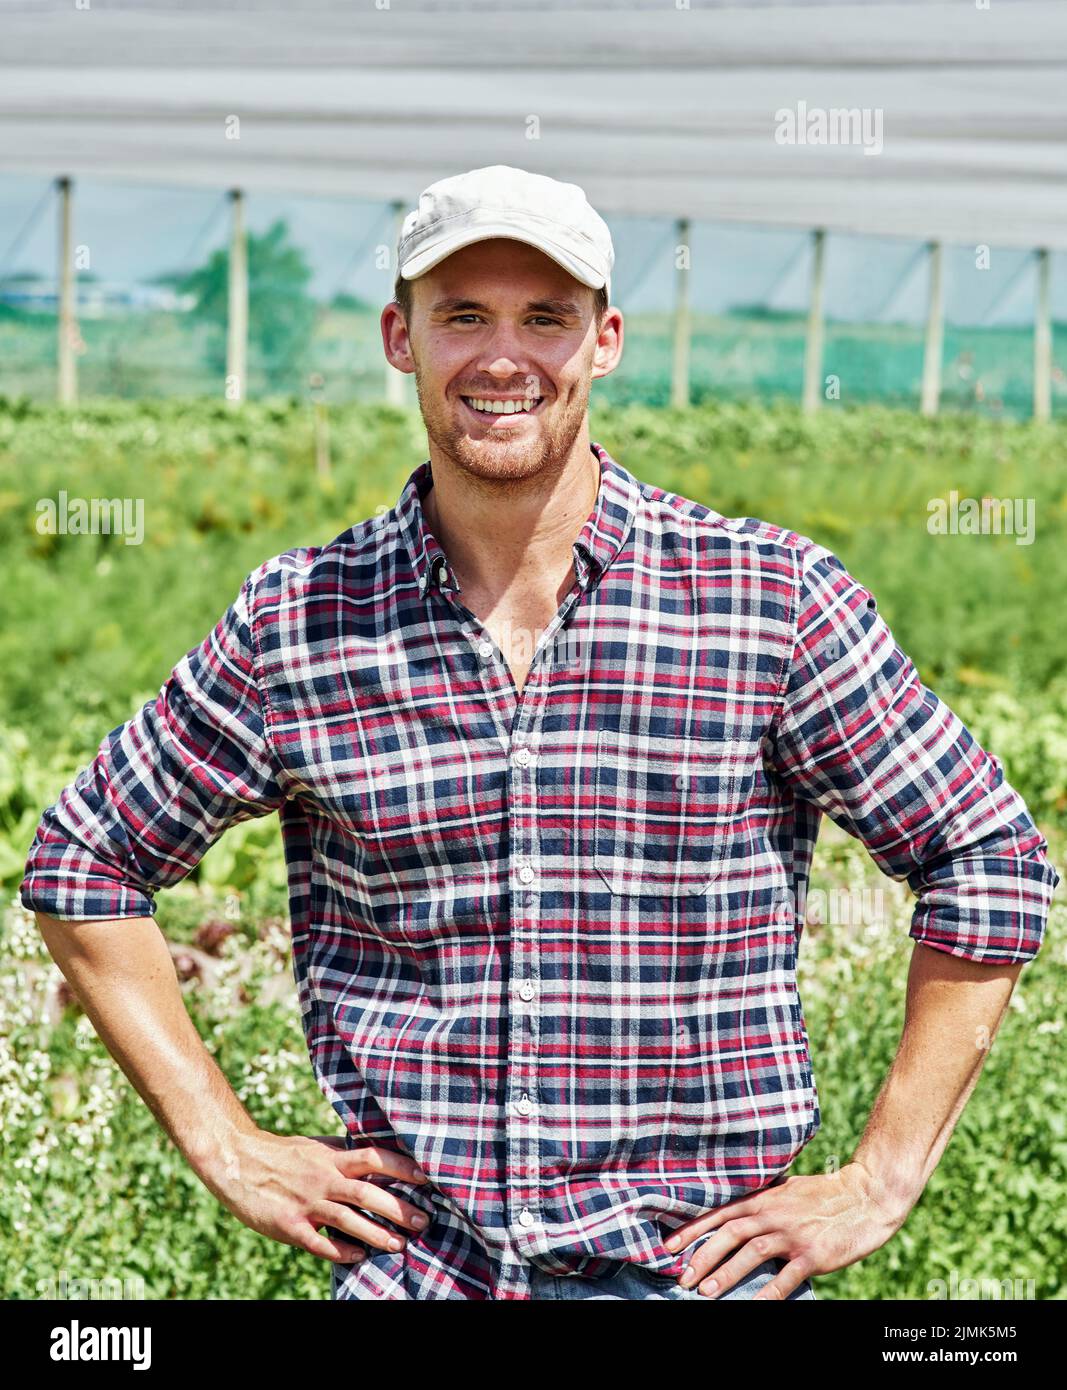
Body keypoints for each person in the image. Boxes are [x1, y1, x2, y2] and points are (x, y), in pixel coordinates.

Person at [21, 164, 1059, 1303]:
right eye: (462, 314)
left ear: (603, 340)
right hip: (420, 1274)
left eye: (544, 318)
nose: (502, 357)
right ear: (398, 336)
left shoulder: (764, 600)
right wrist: (228, 1146)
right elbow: (86, 857)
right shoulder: (301, 622)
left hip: (691, 1276)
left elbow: (983, 854)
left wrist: (880, 1176)